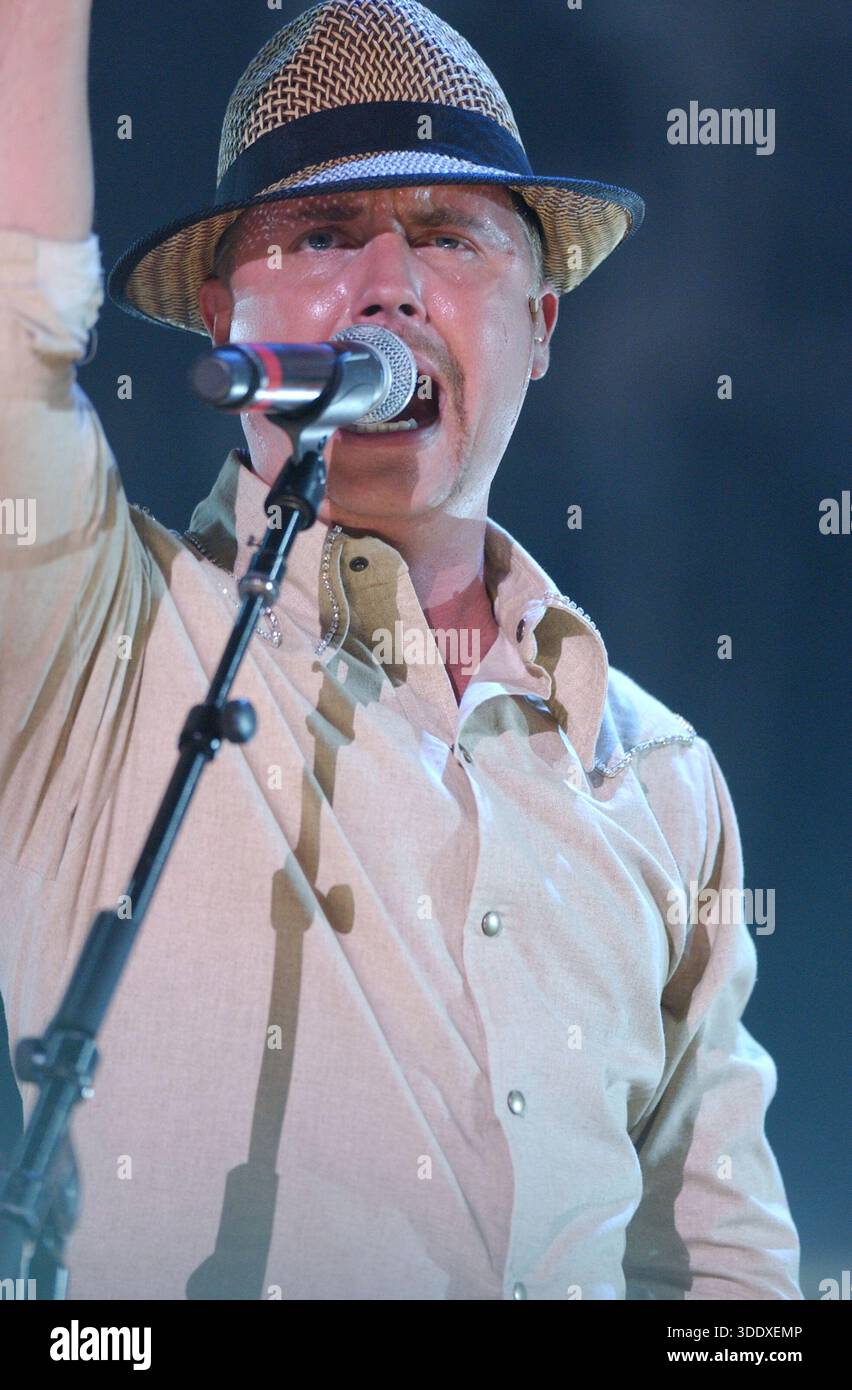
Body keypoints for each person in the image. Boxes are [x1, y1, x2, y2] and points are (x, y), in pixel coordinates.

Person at [0, 0, 802, 1300]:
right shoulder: (97, 637)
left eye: (444, 235)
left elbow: (726, 1267)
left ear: (541, 325)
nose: (387, 282)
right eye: (321, 235)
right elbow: (9, 321)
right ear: (223, 319)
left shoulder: (660, 773)